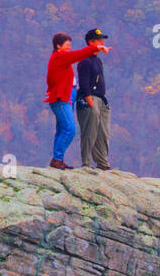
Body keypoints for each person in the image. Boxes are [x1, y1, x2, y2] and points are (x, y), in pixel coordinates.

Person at [44, 32, 109, 170]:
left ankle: (58, 159)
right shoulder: (59, 57)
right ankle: (56, 159)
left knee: (61, 129)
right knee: (69, 129)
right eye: (67, 45)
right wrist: (96, 48)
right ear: (58, 45)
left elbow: (52, 78)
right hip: (62, 98)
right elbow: (78, 54)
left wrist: (51, 91)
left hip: (65, 97)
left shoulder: (60, 60)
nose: (69, 48)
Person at [75, 27, 111, 170]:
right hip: (89, 99)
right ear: (91, 42)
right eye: (99, 40)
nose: (102, 42)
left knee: (103, 133)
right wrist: (89, 100)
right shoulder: (85, 61)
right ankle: (86, 163)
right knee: (90, 132)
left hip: (101, 99)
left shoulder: (97, 61)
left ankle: (102, 163)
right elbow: (84, 83)